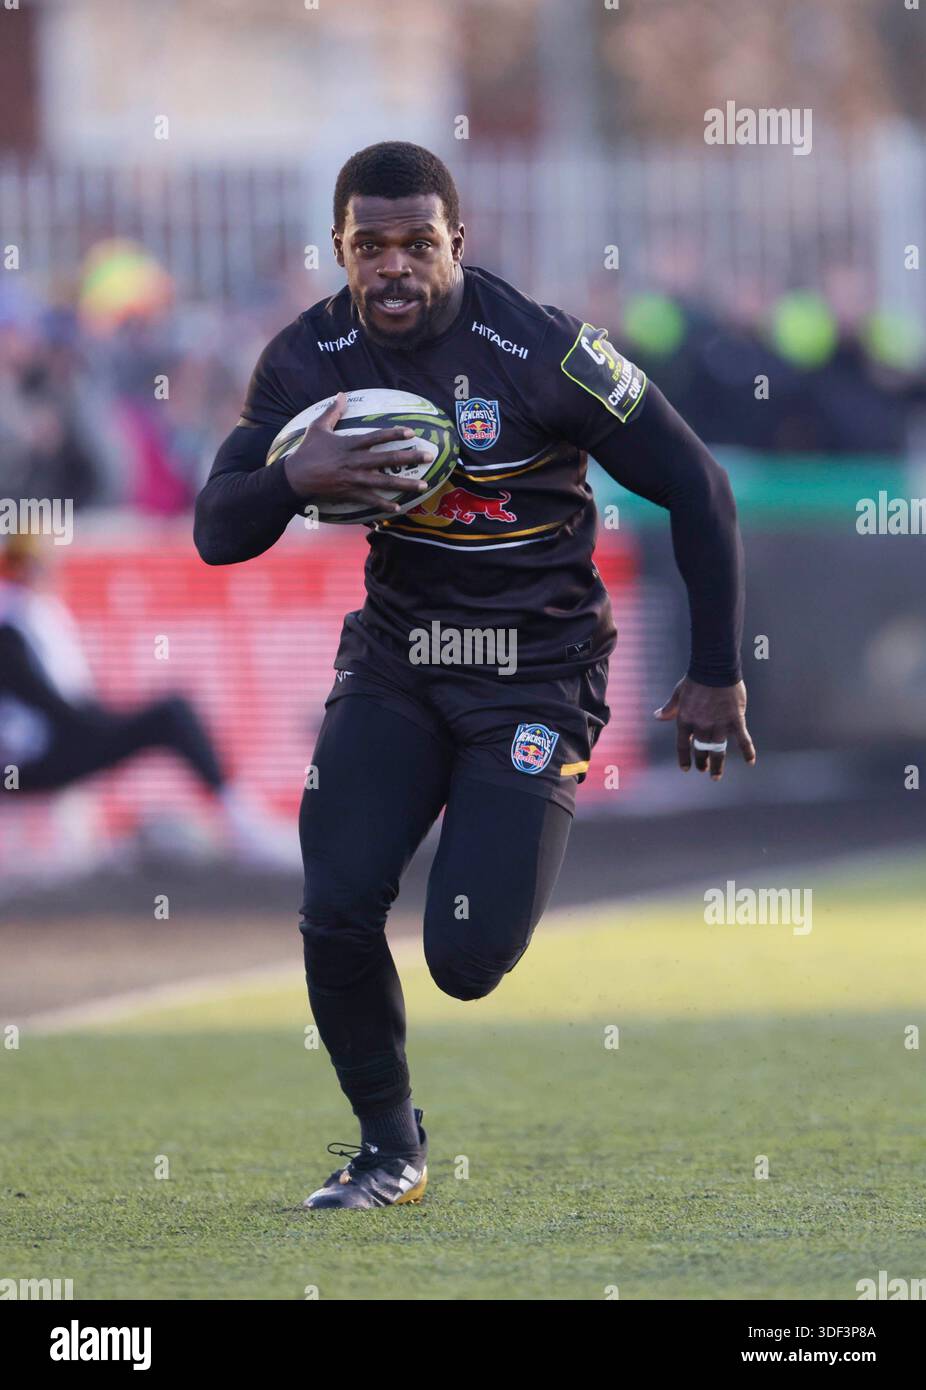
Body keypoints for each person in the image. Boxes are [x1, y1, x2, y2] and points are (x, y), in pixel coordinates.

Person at [194, 141, 755, 1210]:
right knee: (336, 907)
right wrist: (291, 473)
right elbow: (216, 532)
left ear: (458, 241)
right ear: (340, 251)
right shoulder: (305, 360)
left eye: (416, 243)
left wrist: (717, 673)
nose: (393, 266)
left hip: (535, 677)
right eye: (370, 246)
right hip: (397, 664)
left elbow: (700, 486)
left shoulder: (543, 351)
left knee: (464, 955)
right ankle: (385, 1145)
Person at [0, 533, 297, 868]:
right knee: (171, 715)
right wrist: (113, 728)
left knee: (167, 714)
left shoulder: (31, 617)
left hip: (46, 747)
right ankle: (243, 824)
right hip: (30, 761)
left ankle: (241, 820)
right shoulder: (13, 626)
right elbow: (55, 710)